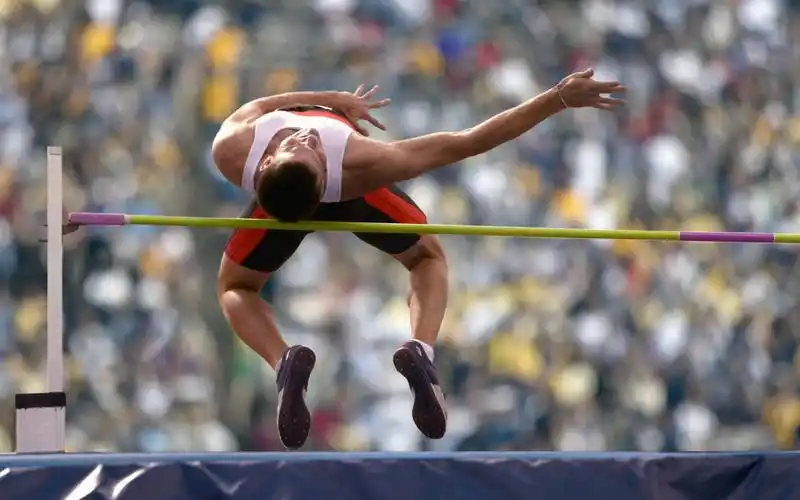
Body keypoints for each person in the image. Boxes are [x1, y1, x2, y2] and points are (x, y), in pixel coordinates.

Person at [212, 69, 625, 449]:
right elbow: (468, 141)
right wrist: (557, 98)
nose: (308, 139)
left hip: (281, 206)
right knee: (427, 258)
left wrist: (330, 99)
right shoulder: (362, 161)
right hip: (356, 191)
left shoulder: (231, 150)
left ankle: (283, 361)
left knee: (236, 287)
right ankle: (421, 349)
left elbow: (260, 105)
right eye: (308, 149)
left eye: (309, 146)